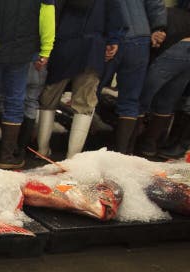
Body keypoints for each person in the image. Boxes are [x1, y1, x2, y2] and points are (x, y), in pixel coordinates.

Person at [37, 0, 124, 159]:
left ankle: (42, 151)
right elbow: (115, 17)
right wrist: (113, 40)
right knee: (84, 103)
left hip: (61, 45)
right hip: (93, 48)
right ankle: (72, 157)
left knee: (49, 99)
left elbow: (49, 12)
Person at [0, 0, 56, 169]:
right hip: (22, 52)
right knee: (15, 101)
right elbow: (47, 16)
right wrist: (45, 50)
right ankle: (6, 156)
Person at [98, 0, 167, 154]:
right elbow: (156, 3)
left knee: (90, 93)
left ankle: (80, 151)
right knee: (130, 99)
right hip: (140, 37)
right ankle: (122, 153)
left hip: (109, 36)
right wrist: (159, 27)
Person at [137, 5, 190, 157]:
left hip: (173, 40)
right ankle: (149, 145)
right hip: (182, 41)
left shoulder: (165, 10)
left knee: (141, 97)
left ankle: (130, 144)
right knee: (168, 99)